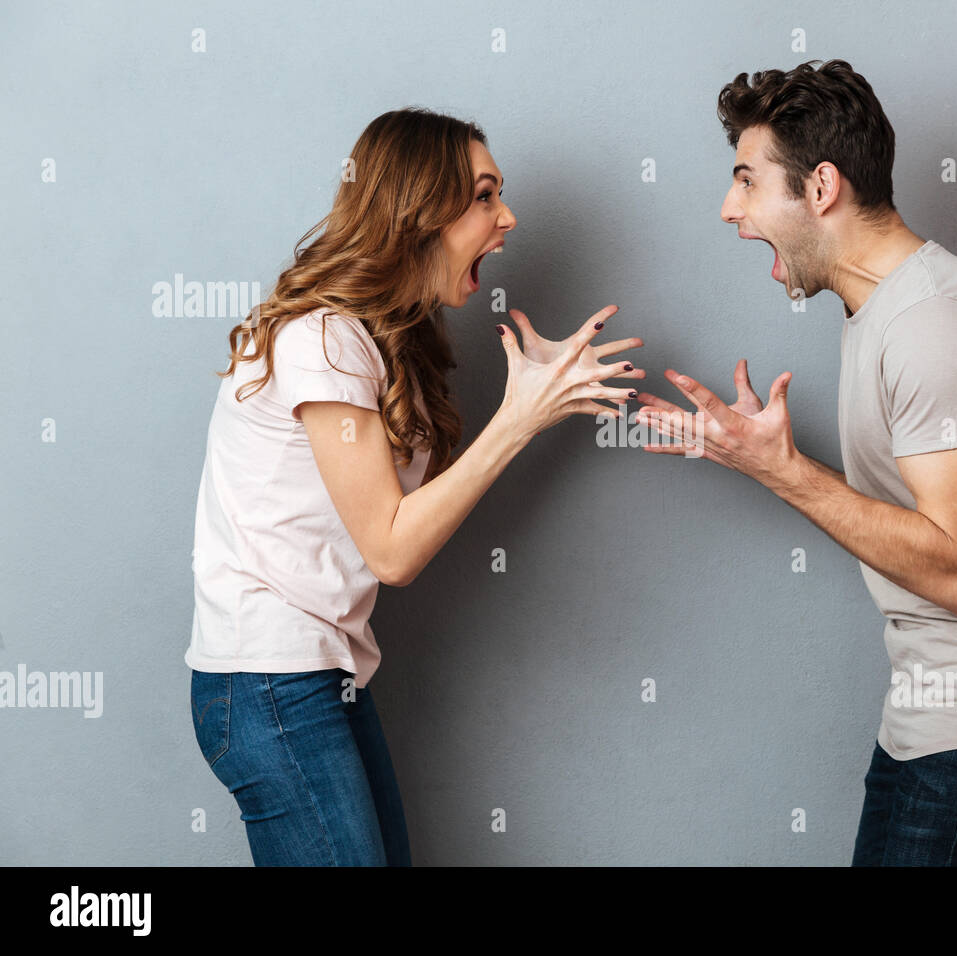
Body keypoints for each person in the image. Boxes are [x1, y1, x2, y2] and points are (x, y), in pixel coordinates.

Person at [635, 60, 957, 866]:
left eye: (748, 181)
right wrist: (766, 459)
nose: (729, 208)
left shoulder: (932, 324)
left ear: (821, 188)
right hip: (942, 703)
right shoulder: (884, 308)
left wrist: (780, 470)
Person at [186, 107, 645, 865]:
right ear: (419, 210)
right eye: (486, 195)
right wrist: (519, 419)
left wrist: (527, 397)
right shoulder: (324, 340)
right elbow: (393, 550)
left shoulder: (376, 341)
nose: (508, 217)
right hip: (268, 680)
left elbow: (403, 523)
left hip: (313, 676)